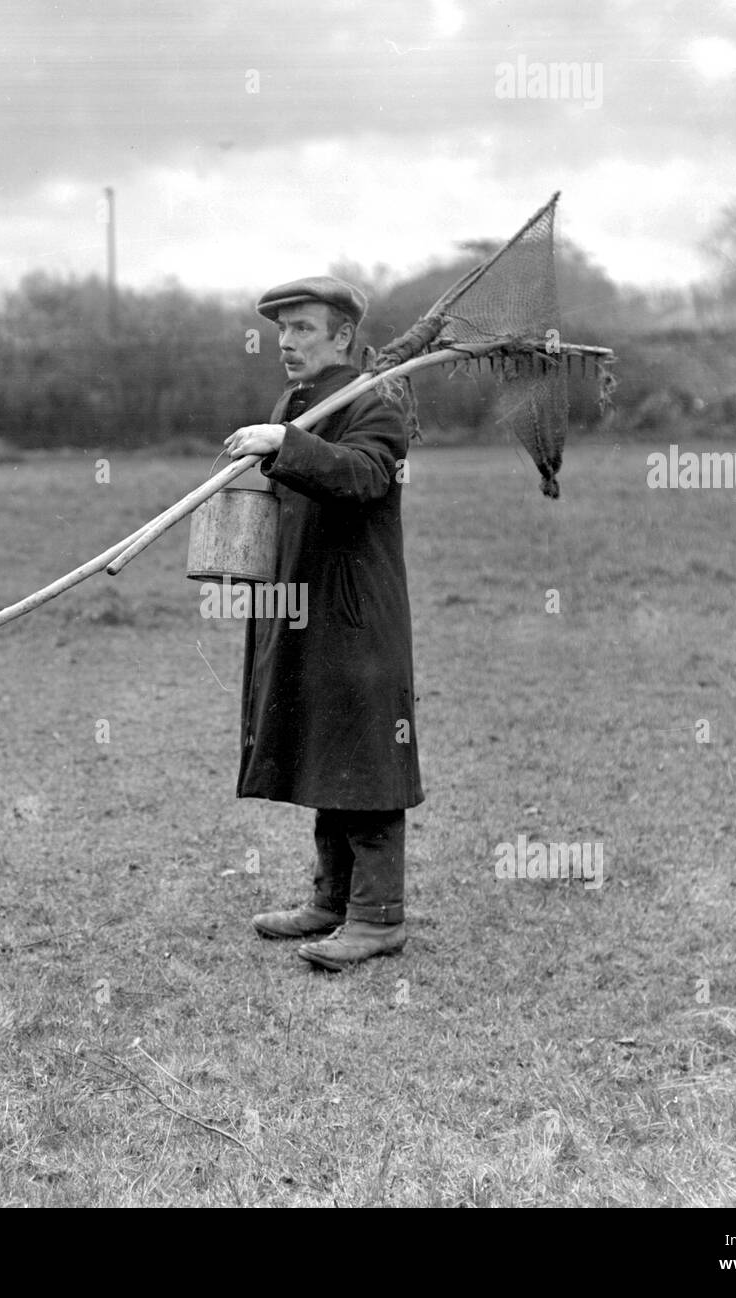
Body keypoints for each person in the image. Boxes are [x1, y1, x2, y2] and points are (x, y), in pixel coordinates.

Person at [223, 275, 423, 971]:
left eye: (303, 327)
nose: (285, 342)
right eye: (282, 329)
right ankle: (331, 901)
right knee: (324, 743)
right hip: (302, 606)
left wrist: (286, 442)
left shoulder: (375, 404)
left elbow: (364, 476)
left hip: (355, 611)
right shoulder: (299, 404)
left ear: (343, 335)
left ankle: (378, 918)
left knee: (364, 753)